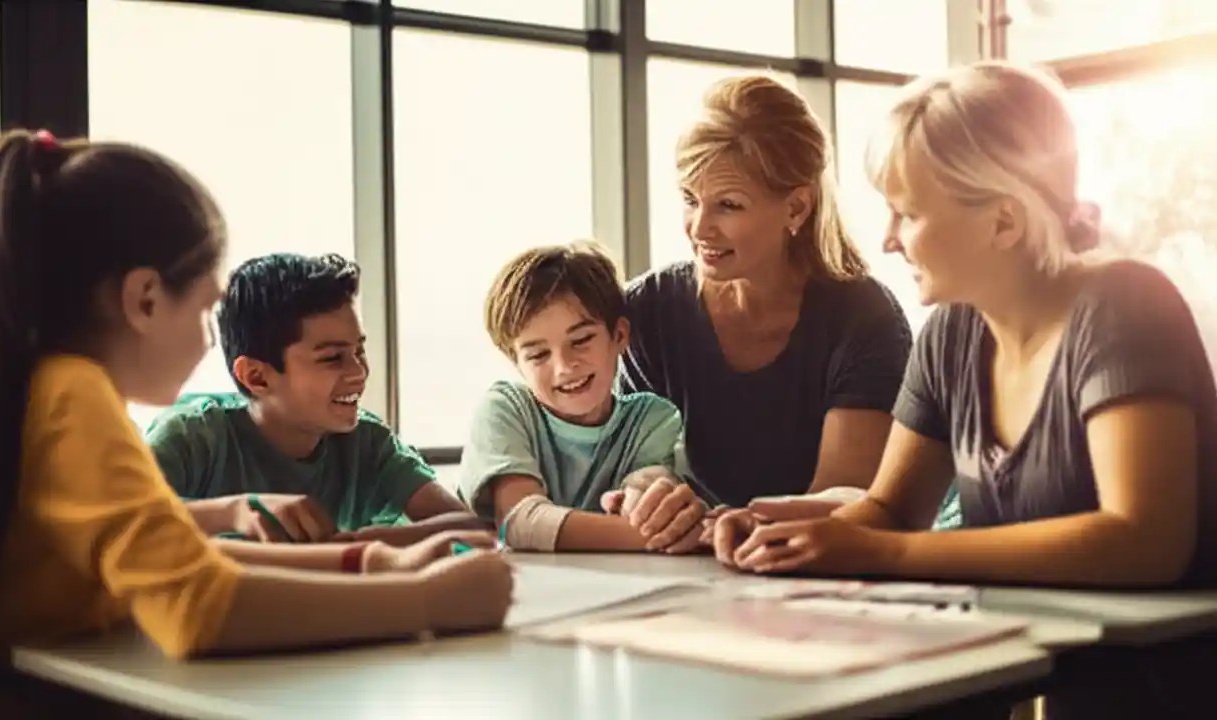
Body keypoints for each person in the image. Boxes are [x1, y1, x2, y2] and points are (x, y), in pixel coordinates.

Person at [0, 130, 512, 718]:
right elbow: (195, 606)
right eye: (207, 308)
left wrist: (363, 562)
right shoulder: (72, 396)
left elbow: (172, 553)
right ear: (144, 300)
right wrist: (423, 603)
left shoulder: (31, 387)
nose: (210, 335)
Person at [713, 61, 1217, 717]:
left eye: (909, 213)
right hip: (1040, 688)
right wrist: (789, 536)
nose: (889, 240)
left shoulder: (1124, 305)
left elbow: (1145, 540)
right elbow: (891, 512)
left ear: (1003, 222)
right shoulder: (950, 333)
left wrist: (881, 550)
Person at [615, 74, 912, 514]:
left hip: (821, 565)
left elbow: (846, 499)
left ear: (795, 208)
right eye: (690, 199)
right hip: (690, 562)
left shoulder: (864, 317)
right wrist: (649, 489)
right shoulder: (649, 309)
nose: (699, 228)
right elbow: (634, 457)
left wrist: (735, 524)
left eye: (728, 205)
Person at [147, 252, 485, 545]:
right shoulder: (192, 438)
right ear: (257, 376)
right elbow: (114, 526)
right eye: (332, 358)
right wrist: (234, 513)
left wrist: (355, 545)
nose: (359, 372)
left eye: (359, 351)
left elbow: (472, 528)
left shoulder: (366, 443)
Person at [458, 242, 706, 552]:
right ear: (516, 362)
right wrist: (652, 535)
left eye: (582, 340)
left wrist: (650, 505)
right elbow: (520, 522)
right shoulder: (506, 409)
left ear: (618, 336)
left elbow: (648, 493)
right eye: (538, 355)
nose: (564, 367)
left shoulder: (652, 419)